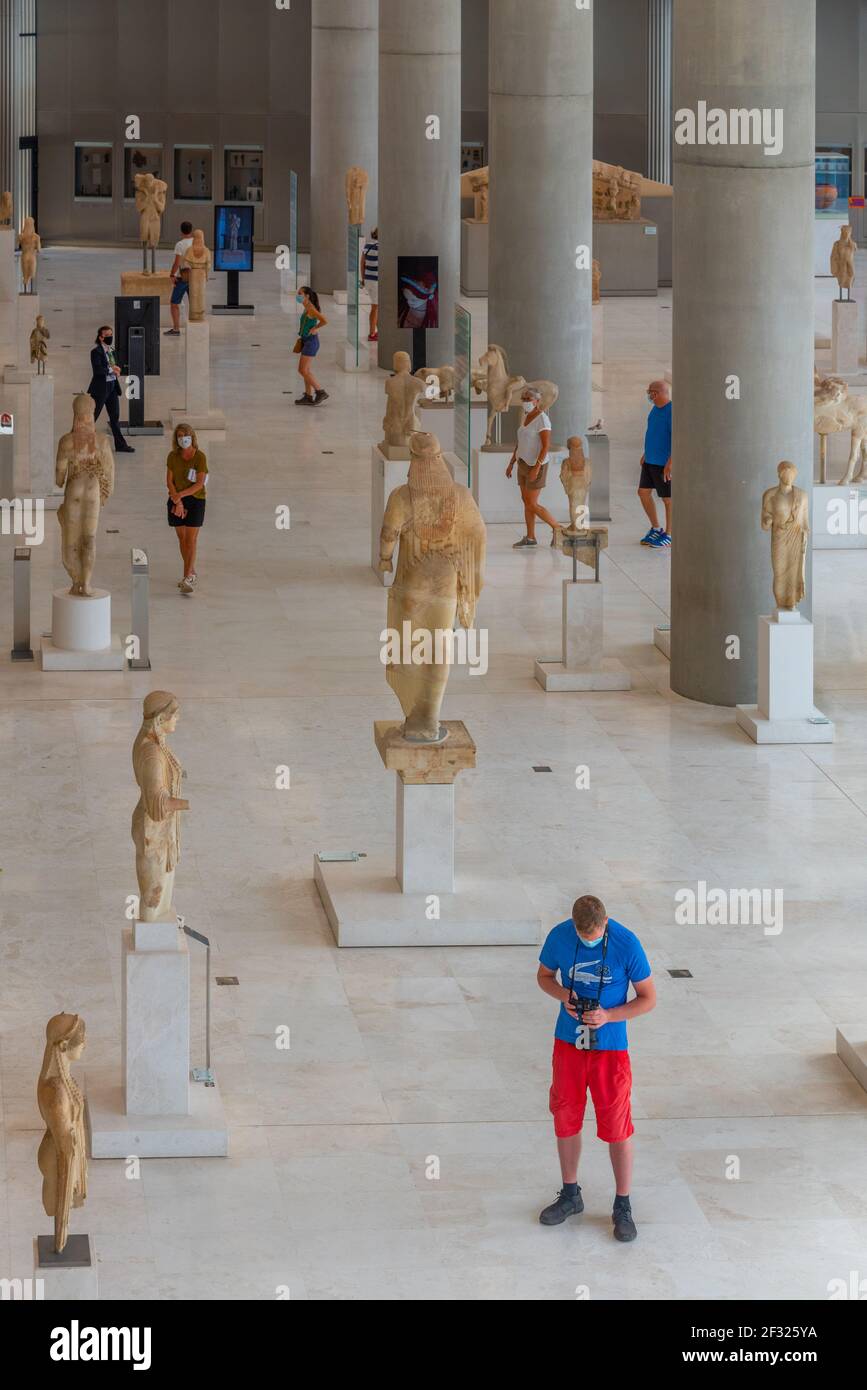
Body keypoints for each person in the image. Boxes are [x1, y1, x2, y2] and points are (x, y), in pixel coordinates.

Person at [536, 894, 656, 1243]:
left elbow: (648, 998)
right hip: (568, 1042)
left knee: (617, 1123)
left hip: (610, 1048)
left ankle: (622, 1204)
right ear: (574, 926)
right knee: (566, 1115)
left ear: (605, 923)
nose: (590, 938)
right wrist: (563, 995)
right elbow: (543, 976)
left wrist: (609, 1015)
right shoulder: (560, 936)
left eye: (596, 933)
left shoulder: (626, 943)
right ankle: (570, 1194)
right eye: (583, 934)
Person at [506, 387, 561, 548]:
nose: (525, 402)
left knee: (532, 503)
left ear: (537, 401)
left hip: (536, 465)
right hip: (523, 463)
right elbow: (521, 442)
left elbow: (545, 446)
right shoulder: (525, 417)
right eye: (523, 399)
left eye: (528, 399)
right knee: (526, 501)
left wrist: (536, 468)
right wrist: (511, 463)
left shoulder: (542, 420)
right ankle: (530, 537)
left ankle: (558, 529)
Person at [166, 422, 208, 594]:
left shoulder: (200, 457)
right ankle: (191, 572)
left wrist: (181, 497)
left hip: (195, 499)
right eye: (180, 436)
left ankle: (187, 576)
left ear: (192, 437)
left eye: (186, 436)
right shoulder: (172, 456)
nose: (183, 439)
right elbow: (169, 481)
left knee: (191, 540)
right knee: (182, 539)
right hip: (177, 500)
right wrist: (177, 501)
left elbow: (199, 483)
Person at [88, 326, 135, 453]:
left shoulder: (112, 351)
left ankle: (120, 445)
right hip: (100, 389)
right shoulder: (96, 352)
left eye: (111, 334)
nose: (110, 337)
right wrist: (111, 370)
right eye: (107, 335)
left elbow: (115, 364)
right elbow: (97, 370)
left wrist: (117, 369)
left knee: (115, 417)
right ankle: (85, 442)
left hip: (112, 387)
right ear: (101, 337)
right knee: (93, 416)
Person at [639, 379, 672, 547]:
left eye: (650, 392)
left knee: (668, 499)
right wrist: (646, 454)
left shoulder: (672, 411)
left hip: (663, 463)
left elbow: (677, 438)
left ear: (657, 393)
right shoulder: (654, 410)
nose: (649, 395)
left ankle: (669, 534)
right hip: (650, 460)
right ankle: (656, 528)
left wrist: (671, 462)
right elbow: (653, 433)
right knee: (643, 492)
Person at [294, 286, 328, 405]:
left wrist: (315, 328)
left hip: (311, 342)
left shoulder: (311, 309)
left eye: (300, 293)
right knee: (306, 370)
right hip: (306, 341)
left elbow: (324, 320)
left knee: (302, 370)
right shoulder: (306, 307)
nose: (297, 295)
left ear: (307, 296)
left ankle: (320, 391)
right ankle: (308, 396)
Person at [164, 220, 194, 336]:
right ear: (191, 230)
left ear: (181, 231)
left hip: (183, 278)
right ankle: (194, 328)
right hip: (194, 277)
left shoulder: (180, 244)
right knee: (195, 304)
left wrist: (172, 274)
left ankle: (176, 329)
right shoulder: (195, 242)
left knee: (174, 303)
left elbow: (177, 263)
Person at [361, 226, 379, 341]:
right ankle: (372, 333)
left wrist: (363, 279)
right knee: (375, 307)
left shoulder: (367, 246)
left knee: (376, 306)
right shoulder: (381, 247)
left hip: (368, 280)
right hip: (377, 281)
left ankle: (376, 331)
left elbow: (362, 264)